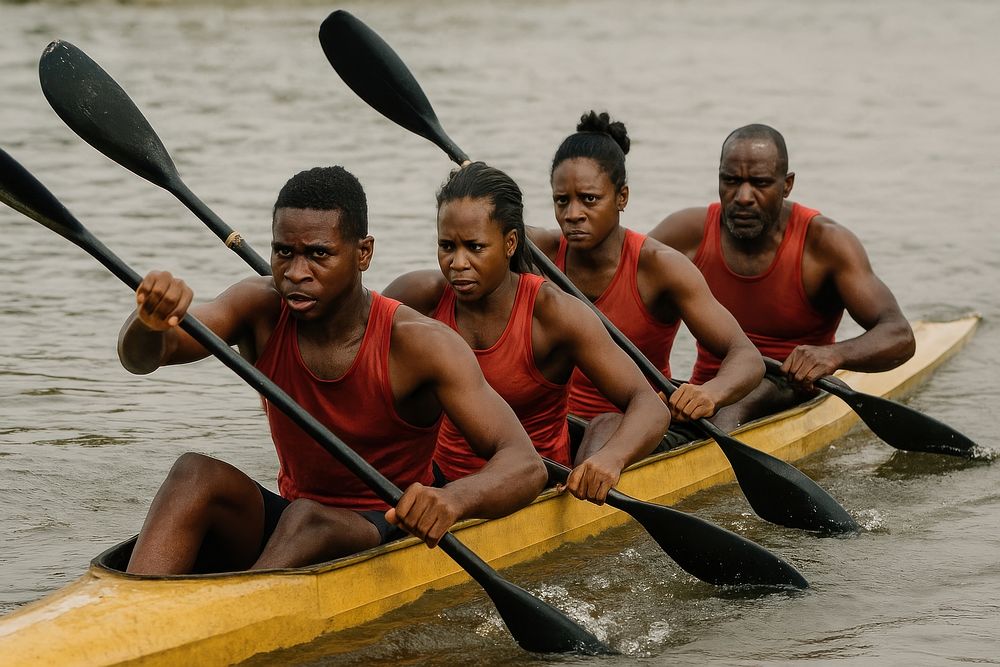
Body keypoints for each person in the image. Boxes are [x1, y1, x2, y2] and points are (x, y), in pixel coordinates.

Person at [117, 166, 547, 575]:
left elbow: (525, 465)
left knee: (308, 520)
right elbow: (142, 358)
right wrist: (149, 322)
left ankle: (242, 603)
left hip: (385, 523)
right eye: (284, 252)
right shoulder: (258, 307)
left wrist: (453, 499)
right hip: (295, 514)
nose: (296, 273)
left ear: (363, 253)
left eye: (318, 254)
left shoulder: (421, 344)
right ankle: (130, 605)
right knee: (193, 474)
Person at [383, 162, 669, 505]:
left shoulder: (554, 314)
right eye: (447, 246)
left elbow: (650, 405)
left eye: (475, 247)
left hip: (535, 488)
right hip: (442, 486)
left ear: (510, 243)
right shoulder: (419, 298)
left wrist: (611, 458)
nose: (457, 263)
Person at [649, 124, 915, 429]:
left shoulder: (826, 244)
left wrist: (834, 355)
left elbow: (900, 334)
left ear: (787, 185)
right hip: (707, 389)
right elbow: (621, 279)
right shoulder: (685, 233)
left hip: (789, 385)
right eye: (731, 181)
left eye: (760, 183)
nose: (743, 197)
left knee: (737, 406)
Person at [528, 111, 763, 454]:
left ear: (622, 197)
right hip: (560, 424)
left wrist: (710, 393)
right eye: (561, 200)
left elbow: (747, 356)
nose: (572, 214)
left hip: (636, 426)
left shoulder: (660, 268)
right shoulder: (539, 252)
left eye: (589, 199)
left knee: (605, 424)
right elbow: (485, 233)